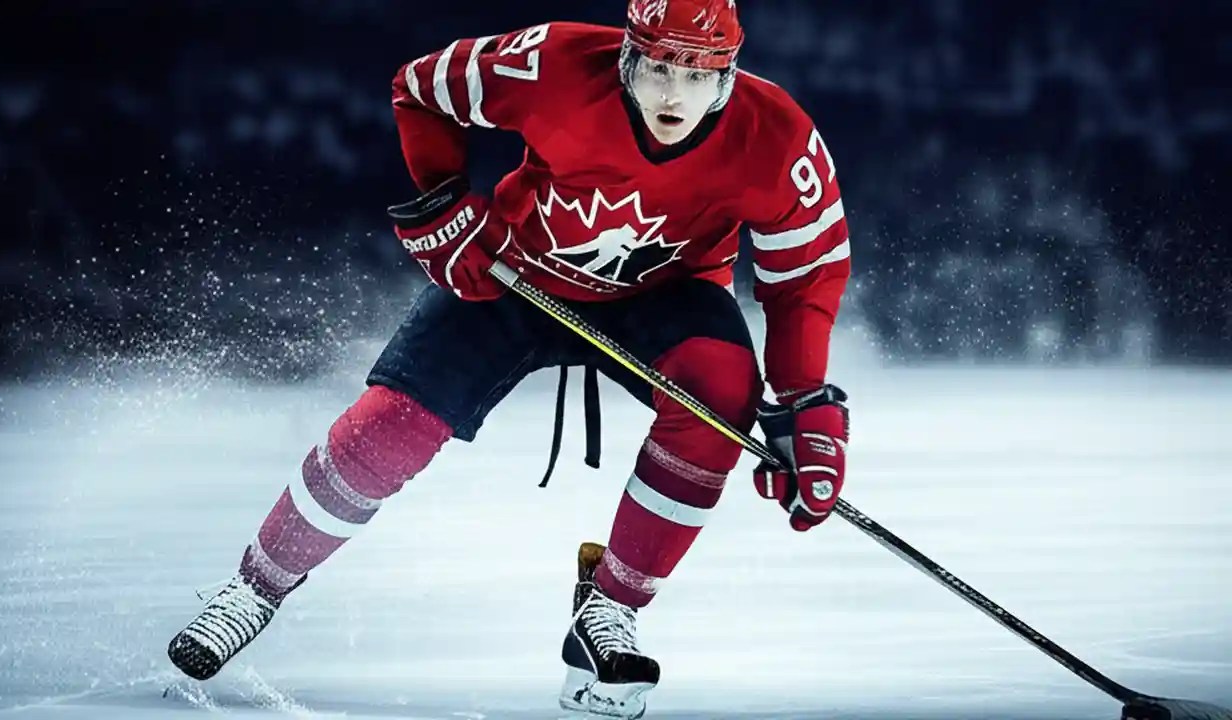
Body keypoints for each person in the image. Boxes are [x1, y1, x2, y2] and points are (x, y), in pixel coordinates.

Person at [167, 1, 852, 716]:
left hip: (667, 295)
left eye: (697, 73)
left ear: (728, 78)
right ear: (626, 58)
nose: (673, 94)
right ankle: (255, 587)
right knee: (391, 425)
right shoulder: (553, 62)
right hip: (512, 272)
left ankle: (610, 611)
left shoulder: (779, 140)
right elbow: (420, 87)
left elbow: (805, 276)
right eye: (656, 68)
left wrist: (803, 407)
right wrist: (441, 201)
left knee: (720, 398)